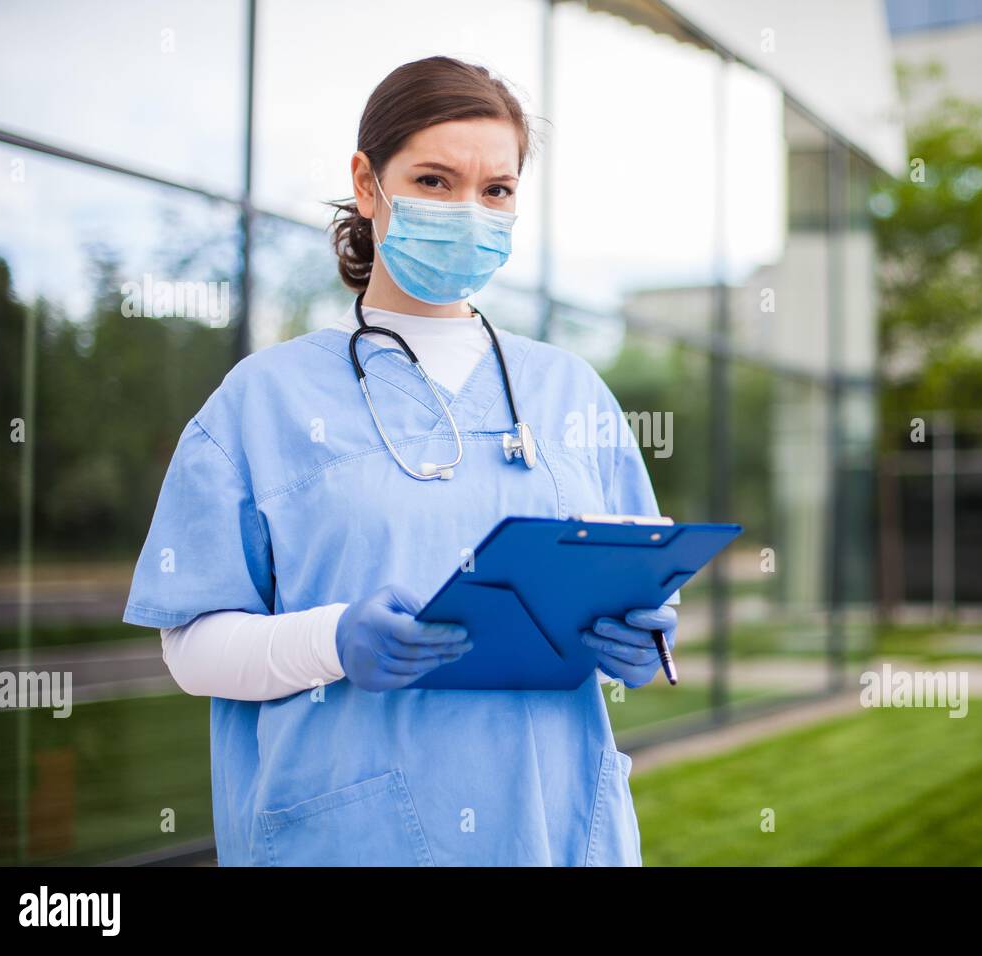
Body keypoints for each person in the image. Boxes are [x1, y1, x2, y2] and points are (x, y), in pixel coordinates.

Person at [123, 56, 676, 867]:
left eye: (496, 190)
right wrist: (331, 641)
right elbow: (190, 649)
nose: (469, 210)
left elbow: (642, 584)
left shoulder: (572, 393)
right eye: (434, 179)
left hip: (560, 834)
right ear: (367, 182)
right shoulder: (263, 401)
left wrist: (650, 640)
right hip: (347, 839)